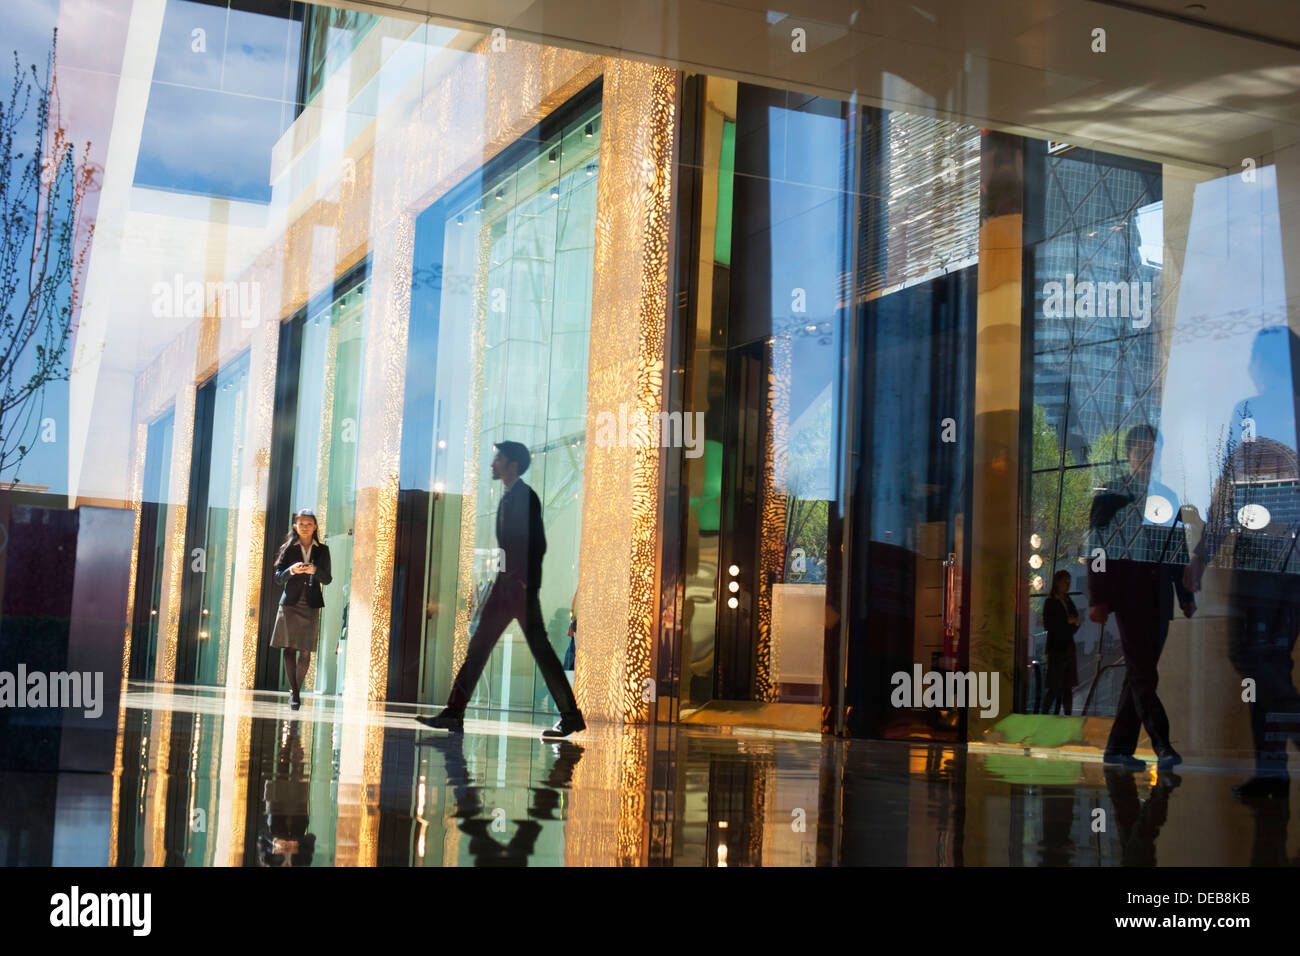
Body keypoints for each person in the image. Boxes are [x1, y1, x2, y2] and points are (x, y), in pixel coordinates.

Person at [1184, 326, 1300, 799]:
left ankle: (1274, 767)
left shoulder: (1250, 413)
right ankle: (1271, 773)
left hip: (1263, 557)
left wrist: (1201, 554)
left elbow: (1227, 492)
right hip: (1293, 558)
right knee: (1270, 662)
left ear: (1265, 364)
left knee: (1252, 656)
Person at [418, 441, 585, 738]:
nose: (493, 464)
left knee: (528, 650)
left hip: (517, 589)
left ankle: (455, 713)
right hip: (508, 586)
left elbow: (537, 544)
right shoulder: (509, 497)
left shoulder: (524, 497)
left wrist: (521, 581)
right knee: (485, 647)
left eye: (499, 459)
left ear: (513, 465)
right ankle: (455, 712)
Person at [1088, 424, 1195, 770]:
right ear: (1129, 455)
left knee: (1139, 672)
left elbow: (1177, 550)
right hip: (1127, 596)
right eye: (1141, 452)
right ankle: (1162, 744)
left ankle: (1117, 749)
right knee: (1143, 672)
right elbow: (1096, 552)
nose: (1147, 458)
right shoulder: (1110, 496)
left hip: (1160, 596)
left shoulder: (1167, 496)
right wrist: (1098, 599)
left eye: (1153, 452)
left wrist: (1186, 596)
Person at [270, 509, 332, 710]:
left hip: (311, 604)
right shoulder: (288, 549)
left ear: (315, 527)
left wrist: (315, 570)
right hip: (290, 605)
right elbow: (278, 578)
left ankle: (295, 691)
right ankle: (295, 693)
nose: (305, 527)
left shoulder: (323, 550)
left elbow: (328, 579)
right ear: (295, 527)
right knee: (289, 648)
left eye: (309, 524)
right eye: (301, 524)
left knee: (305, 651)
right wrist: (291, 571)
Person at [1040, 570, 1079, 715]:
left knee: (1066, 686)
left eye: (1069, 582)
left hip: (1067, 646)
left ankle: (1063, 716)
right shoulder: (1051, 602)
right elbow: (1050, 625)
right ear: (1057, 583)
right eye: (1065, 582)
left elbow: (1075, 619)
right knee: (1056, 687)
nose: (1068, 585)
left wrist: (1069, 623)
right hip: (1058, 648)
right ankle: (1045, 714)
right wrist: (1068, 622)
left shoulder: (1067, 600)